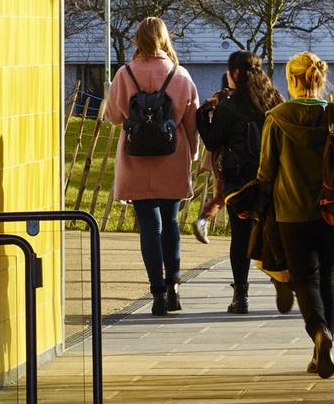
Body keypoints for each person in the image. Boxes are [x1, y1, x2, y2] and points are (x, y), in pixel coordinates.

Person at [257, 52, 334, 378]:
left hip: (291, 213)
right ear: (319, 80)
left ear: (292, 80)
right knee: (328, 278)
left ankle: (318, 332)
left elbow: (266, 172)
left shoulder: (276, 117)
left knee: (304, 280)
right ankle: (322, 347)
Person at [103, 17, 200, 316]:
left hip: (135, 159)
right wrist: (192, 154)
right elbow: (191, 122)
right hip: (171, 158)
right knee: (170, 222)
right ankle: (174, 289)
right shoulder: (179, 75)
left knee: (149, 225)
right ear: (163, 39)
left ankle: (156, 294)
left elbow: (114, 117)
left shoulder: (124, 74)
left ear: (137, 39)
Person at [195, 50, 285, 315]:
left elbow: (212, 141)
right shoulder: (274, 99)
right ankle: (280, 281)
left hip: (239, 183)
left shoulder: (229, 105)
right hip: (271, 179)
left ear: (234, 73)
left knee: (241, 237)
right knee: (270, 232)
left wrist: (204, 114)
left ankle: (241, 296)